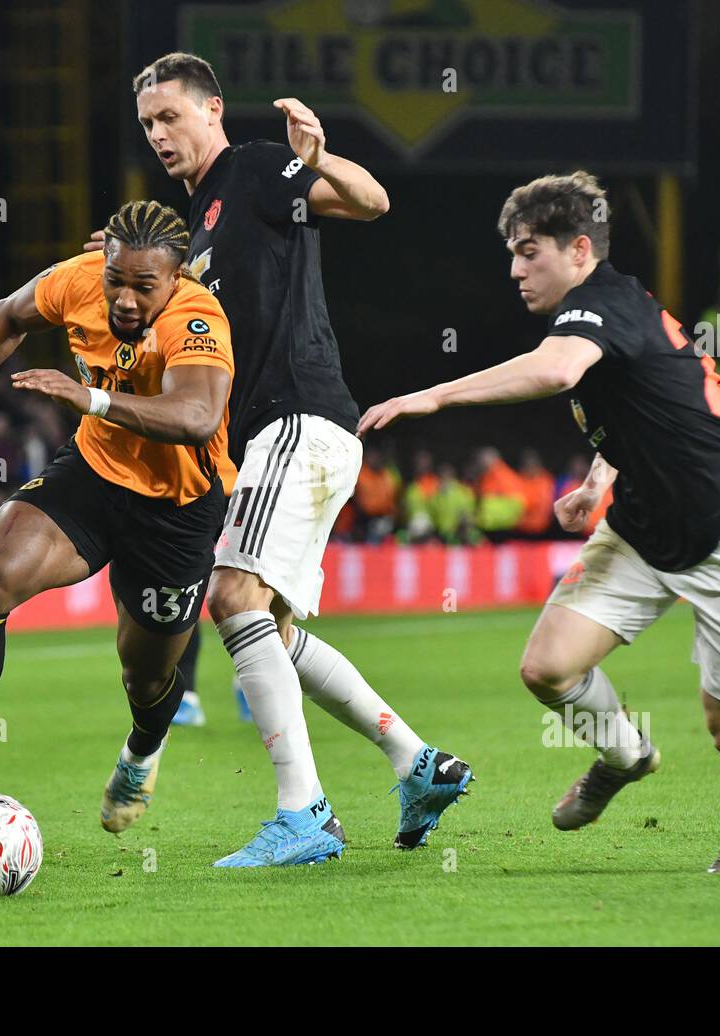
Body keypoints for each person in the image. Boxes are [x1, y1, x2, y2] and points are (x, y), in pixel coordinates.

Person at [359, 171, 720, 874]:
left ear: (580, 249)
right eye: (512, 252)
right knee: (548, 668)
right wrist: (600, 477)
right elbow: (654, 407)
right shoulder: (612, 312)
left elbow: (557, 372)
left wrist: (432, 396)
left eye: (530, 251)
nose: (515, 268)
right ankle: (625, 755)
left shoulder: (598, 309)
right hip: (643, 529)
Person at [125, 51, 472, 866]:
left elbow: (373, 200)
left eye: (171, 116)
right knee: (270, 628)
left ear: (212, 111)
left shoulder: (249, 170)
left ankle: (303, 812)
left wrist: (318, 158)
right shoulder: (196, 222)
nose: (159, 134)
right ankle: (416, 763)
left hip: (298, 419)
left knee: (232, 594)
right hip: (281, 439)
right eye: (147, 124)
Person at [0, 200, 234, 843]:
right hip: (93, 472)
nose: (128, 300)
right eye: (118, 281)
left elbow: (197, 415)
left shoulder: (198, 317)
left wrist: (94, 397)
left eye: (146, 286)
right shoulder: (77, 279)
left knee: (146, 675)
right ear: (101, 264)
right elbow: (6, 316)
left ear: (177, 278)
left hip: (177, 507)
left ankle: (140, 751)